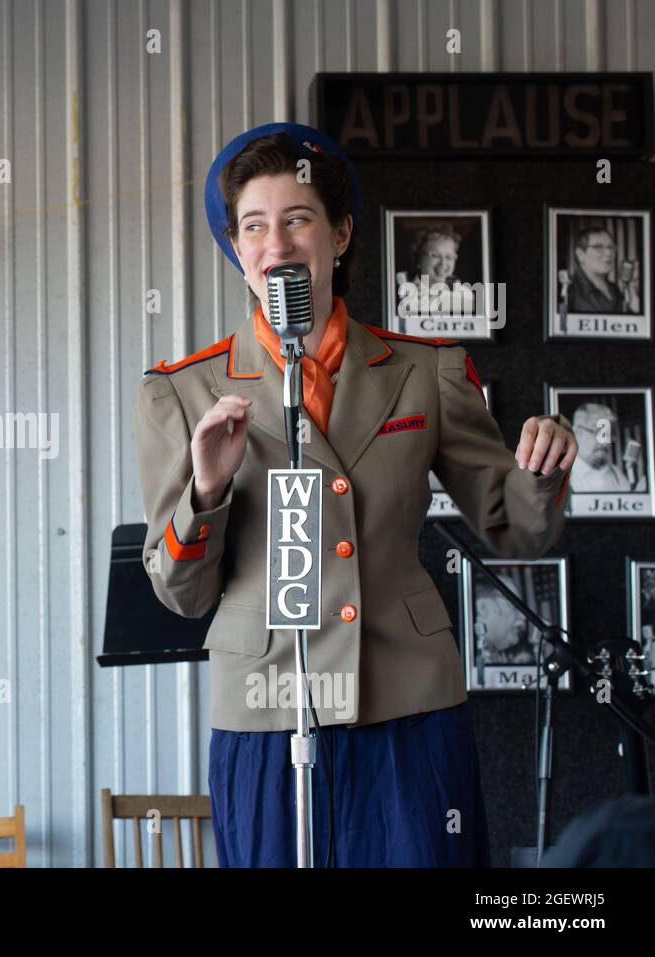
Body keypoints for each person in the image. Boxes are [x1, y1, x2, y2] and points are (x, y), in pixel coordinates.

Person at [133, 122, 578, 867]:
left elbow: (515, 531)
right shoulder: (182, 391)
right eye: (253, 226)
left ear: (339, 235)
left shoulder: (426, 371)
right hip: (267, 710)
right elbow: (180, 593)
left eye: (298, 218)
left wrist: (541, 466)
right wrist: (206, 486)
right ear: (237, 252)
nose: (276, 242)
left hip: (408, 705)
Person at [397, 223, 476, 317]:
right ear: (418, 259)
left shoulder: (465, 294)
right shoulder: (404, 293)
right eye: (435, 255)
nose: (443, 262)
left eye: (449, 257)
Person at [569, 402, 647, 492]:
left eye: (607, 434)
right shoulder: (560, 477)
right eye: (598, 432)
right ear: (576, 433)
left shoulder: (617, 475)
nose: (604, 442)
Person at [567, 226, 640, 315]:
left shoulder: (614, 289)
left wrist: (632, 290)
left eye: (611, 247)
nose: (608, 253)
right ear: (580, 254)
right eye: (598, 247)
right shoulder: (568, 291)